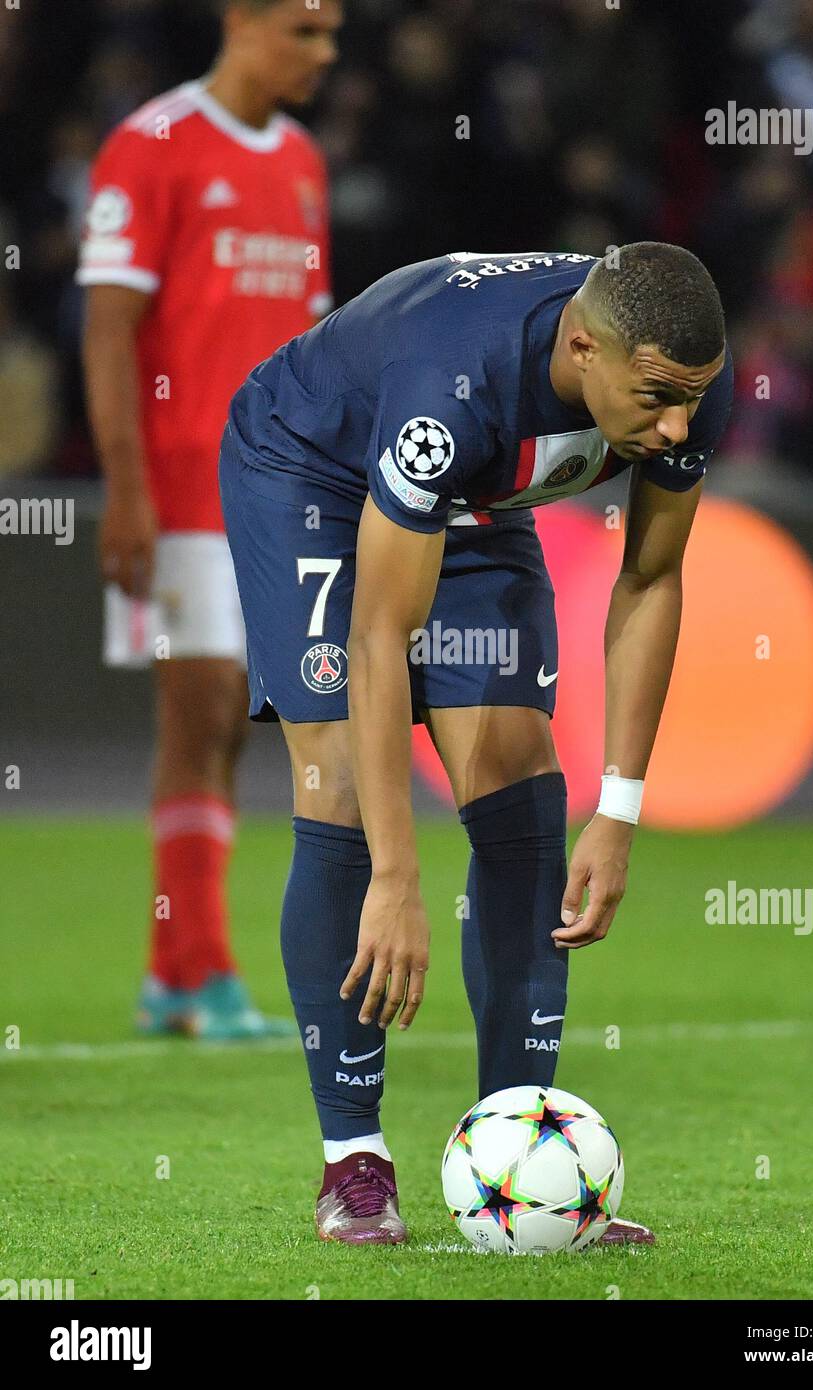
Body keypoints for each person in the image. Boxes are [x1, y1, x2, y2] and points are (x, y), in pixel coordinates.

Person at [219, 243, 733, 1243]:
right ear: (582, 349)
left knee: (519, 778)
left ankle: (518, 1155)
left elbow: (650, 580)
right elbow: (378, 635)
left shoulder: (678, 373)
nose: (677, 426)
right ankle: (352, 1163)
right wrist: (396, 876)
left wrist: (618, 808)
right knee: (334, 788)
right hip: (315, 470)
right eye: (659, 398)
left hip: (479, 494)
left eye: (693, 401)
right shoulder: (447, 390)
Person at [79, 0, 342, 1039]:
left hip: (281, 493)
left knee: (235, 727)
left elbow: (313, 350)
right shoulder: (150, 145)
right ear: (241, 20)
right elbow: (106, 333)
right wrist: (125, 489)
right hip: (183, 485)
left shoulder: (304, 162)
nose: (322, 56)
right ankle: (203, 973)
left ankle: (173, 975)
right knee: (203, 710)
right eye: (304, 32)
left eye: (331, 38)